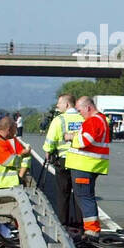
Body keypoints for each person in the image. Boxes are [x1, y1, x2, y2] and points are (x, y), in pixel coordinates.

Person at [67, 97, 111, 238]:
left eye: (80, 110)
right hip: (90, 164)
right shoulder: (101, 119)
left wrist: (70, 137)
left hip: (84, 165)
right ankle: (91, 228)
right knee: (86, 196)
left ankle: (92, 230)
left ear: (88, 108)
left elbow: (84, 141)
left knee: (84, 197)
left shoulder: (93, 121)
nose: (80, 114)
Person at [42, 94, 84, 227]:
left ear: (67, 105)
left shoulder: (59, 120)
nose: (57, 106)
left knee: (63, 193)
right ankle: (81, 225)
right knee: (80, 194)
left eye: (59, 103)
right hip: (82, 160)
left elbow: (51, 140)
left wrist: (48, 152)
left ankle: (63, 224)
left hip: (64, 160)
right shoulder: (83, 118)